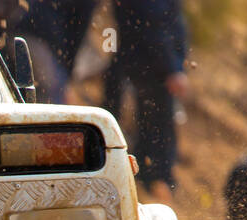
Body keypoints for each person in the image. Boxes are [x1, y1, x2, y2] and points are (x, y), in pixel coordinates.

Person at [104, 0, 189, 203]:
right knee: (143, 145)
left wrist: (176, 65)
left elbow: (172, 26)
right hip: (144, 72)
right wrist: (172, 68)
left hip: (142, 70)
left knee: (145, 145)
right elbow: (154, 25)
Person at [12, 0, 98, 103]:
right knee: (55, 89)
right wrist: (68, 74)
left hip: (20, 32)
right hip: (35, 39)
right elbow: (77, 34)